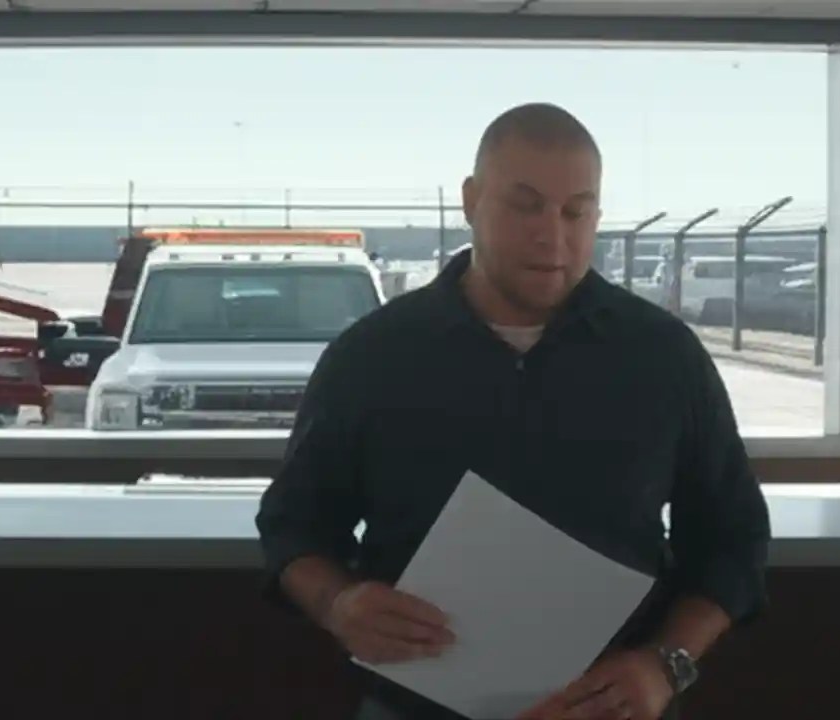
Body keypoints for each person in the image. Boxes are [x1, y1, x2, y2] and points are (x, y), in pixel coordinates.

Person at [255, 102, 771, 720]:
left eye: (576, 210)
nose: (552, 235)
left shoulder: (664, 357)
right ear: (471, 200)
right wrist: (338, 605)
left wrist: (666, 664)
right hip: (417, 706)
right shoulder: (371, 356)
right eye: (526, 204)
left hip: (610, 709)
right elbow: (295, 527)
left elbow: (732, 542)